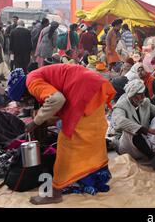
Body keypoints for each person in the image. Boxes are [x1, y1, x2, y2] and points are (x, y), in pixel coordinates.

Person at [23, 64, 116, 205]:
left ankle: (54, 193)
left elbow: (57, 99)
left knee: (67, 142)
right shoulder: (42, 73)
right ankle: (98, 176)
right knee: (93, 135)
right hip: (95, 86)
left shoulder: (31, 81)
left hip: (83, 90)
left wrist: (35, 122)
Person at [109, 79, 155, 171]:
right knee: (131, 130)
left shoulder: (145, 102)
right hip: (127, 144)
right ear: (133, 96)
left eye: (144, 93)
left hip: (144, 140)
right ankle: (153, 159)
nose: (144, 96)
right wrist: (148, 130)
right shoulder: (120, 106)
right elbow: (120, 121)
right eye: (141, 94)